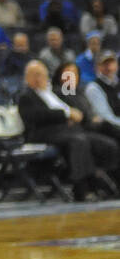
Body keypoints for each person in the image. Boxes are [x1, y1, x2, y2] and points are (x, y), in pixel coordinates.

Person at [16, 61, 117, 199]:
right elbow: (35, 116)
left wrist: (74, 114)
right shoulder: (26, 96)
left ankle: (110, 182)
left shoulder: (52, 92)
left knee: (105, 143)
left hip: (68, 131)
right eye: (36, 75)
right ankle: (81, 189)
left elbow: (73, 108)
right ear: (27, 78)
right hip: (43, 133)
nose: (40, 78)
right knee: (79, 141)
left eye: (43, 74)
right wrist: (66, 115)